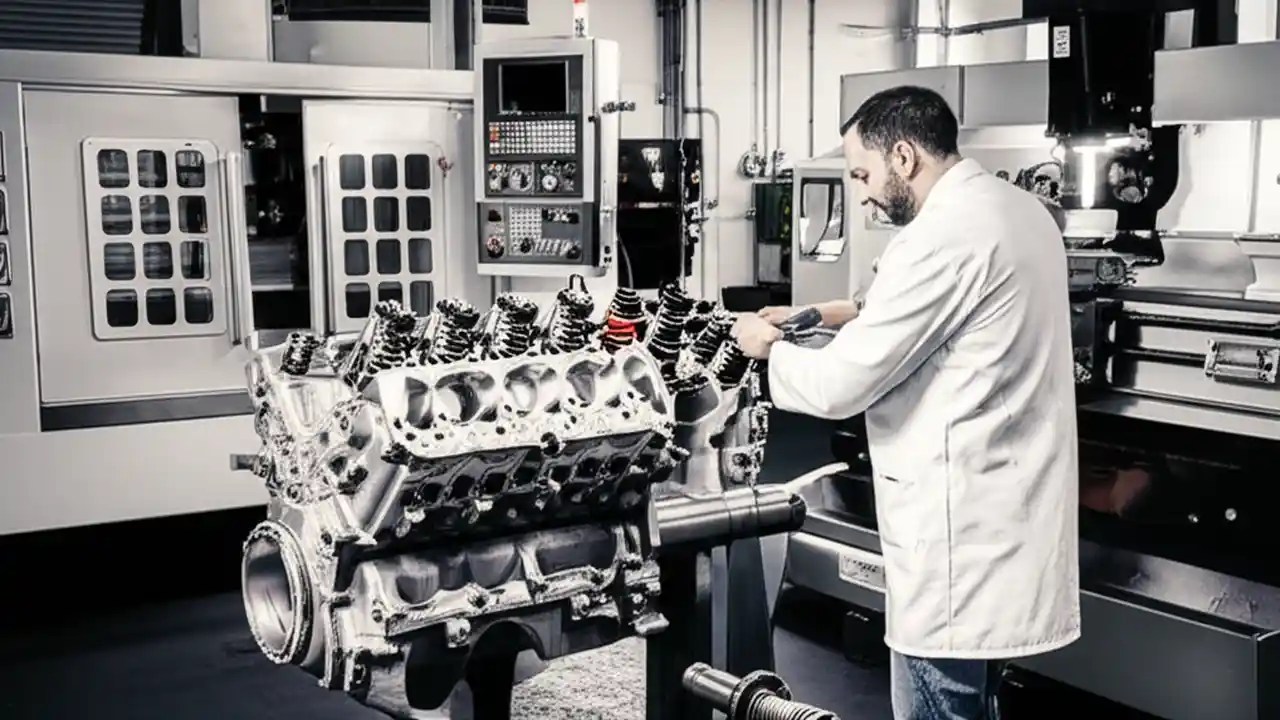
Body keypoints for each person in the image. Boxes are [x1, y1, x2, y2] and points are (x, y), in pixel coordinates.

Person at [732, 85, 1081, 720]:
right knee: (974, 701)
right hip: (1004, 516)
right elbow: (934, 308)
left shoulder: (940, 236)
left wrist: (765, 350)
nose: (862, 192)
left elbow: (841, 384)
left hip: (955, 538)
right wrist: (825, 311)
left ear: (903, 156)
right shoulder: (1019, 210)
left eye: (862, 174)